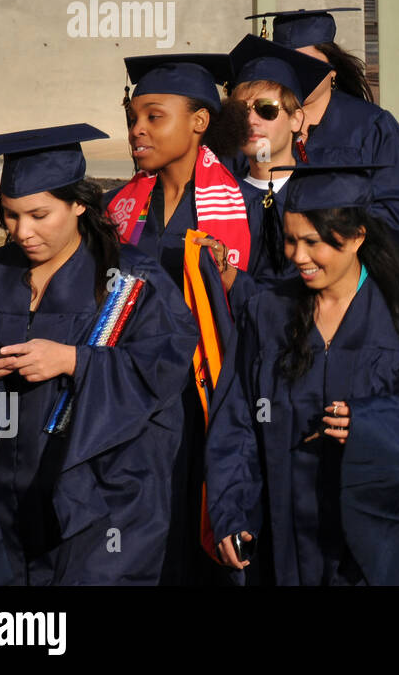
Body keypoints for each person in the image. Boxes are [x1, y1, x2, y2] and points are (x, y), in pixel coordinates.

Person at [0, 125, 197, 585]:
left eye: (39, 214)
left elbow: (166, 371)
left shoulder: (130, 280)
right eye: (10, 215)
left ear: (80, 203)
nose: (21, 232)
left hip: (98, 497)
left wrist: (75, 361)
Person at [205, 163, 399, 585]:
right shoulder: (266, 313)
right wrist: (231, 511)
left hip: (378, 542)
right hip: (284, 539)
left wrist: (376, 424)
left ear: (356, 237)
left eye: (313, 242)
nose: (298, 256)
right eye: (291, 240)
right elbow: (235, 424)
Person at [108, 53, 251, 585]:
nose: (137, 131)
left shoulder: (243, 206)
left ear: (199, 122)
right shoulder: (118, 206)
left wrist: (230, 279)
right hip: (132, 394)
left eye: (153, 116)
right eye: (133, 119)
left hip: (209, 393)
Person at [245, 8, 399, 257]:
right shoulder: (257, 123)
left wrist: (343, 246)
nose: (294, 75)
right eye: (285, 65)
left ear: (331, 70)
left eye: (306, 65)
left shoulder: (369, 125)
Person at [227, 33, 332, 286]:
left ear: (296, 119)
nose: (252, 121)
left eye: (267, 109)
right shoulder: (220, 198)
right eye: (242, 111)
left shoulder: (324, 195)